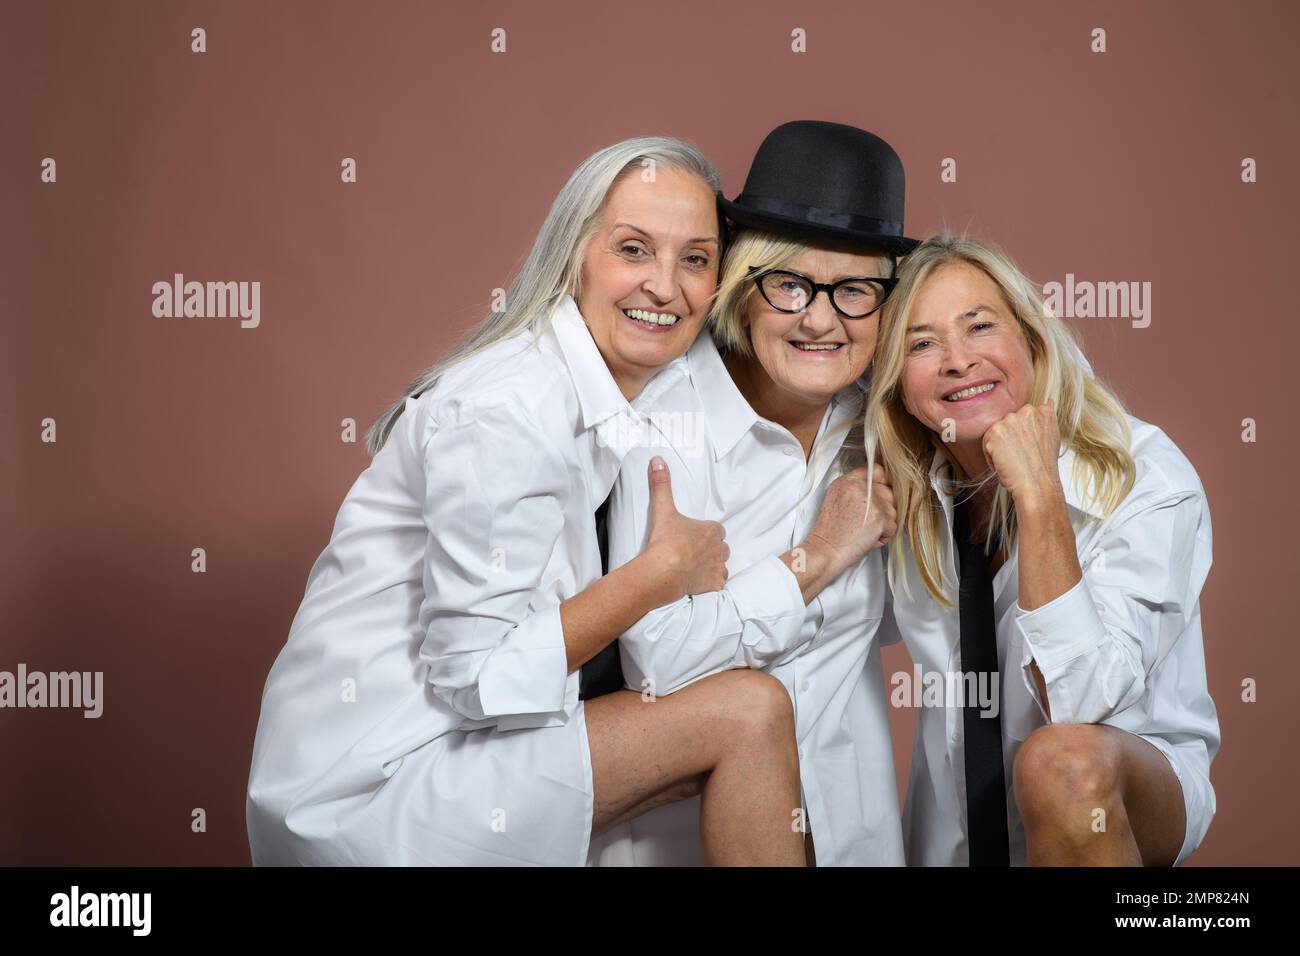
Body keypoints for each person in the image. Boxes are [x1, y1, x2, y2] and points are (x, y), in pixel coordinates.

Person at [245, 136, 809, 866]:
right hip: (372, 790)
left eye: (695, 259)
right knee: (748, 713)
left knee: (707, 751)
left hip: (447, 755)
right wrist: (657, 575)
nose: (665, 287)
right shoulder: (509, 410)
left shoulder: (600, 391)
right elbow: (478, 681)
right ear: (575, 253)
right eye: (633, 250)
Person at [587, 121, 916, 866]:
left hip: (855, 840)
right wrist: (818, 557)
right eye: (791, 284)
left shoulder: (888, 427)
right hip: (680, 848)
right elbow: (660, 666)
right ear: (745, 289)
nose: (821, 318)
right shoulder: (666, 419)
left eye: (855, 289)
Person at [865, 234, 1219, 865]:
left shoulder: (1145, 476)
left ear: (1030, 337)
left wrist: (1039, 496)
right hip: (953, 838)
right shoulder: (902, 495)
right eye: (921, 344)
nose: (956, 360)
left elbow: (1082, 700)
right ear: (895, 382)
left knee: (1063, 764)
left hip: (1129, 781)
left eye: (979, 326)